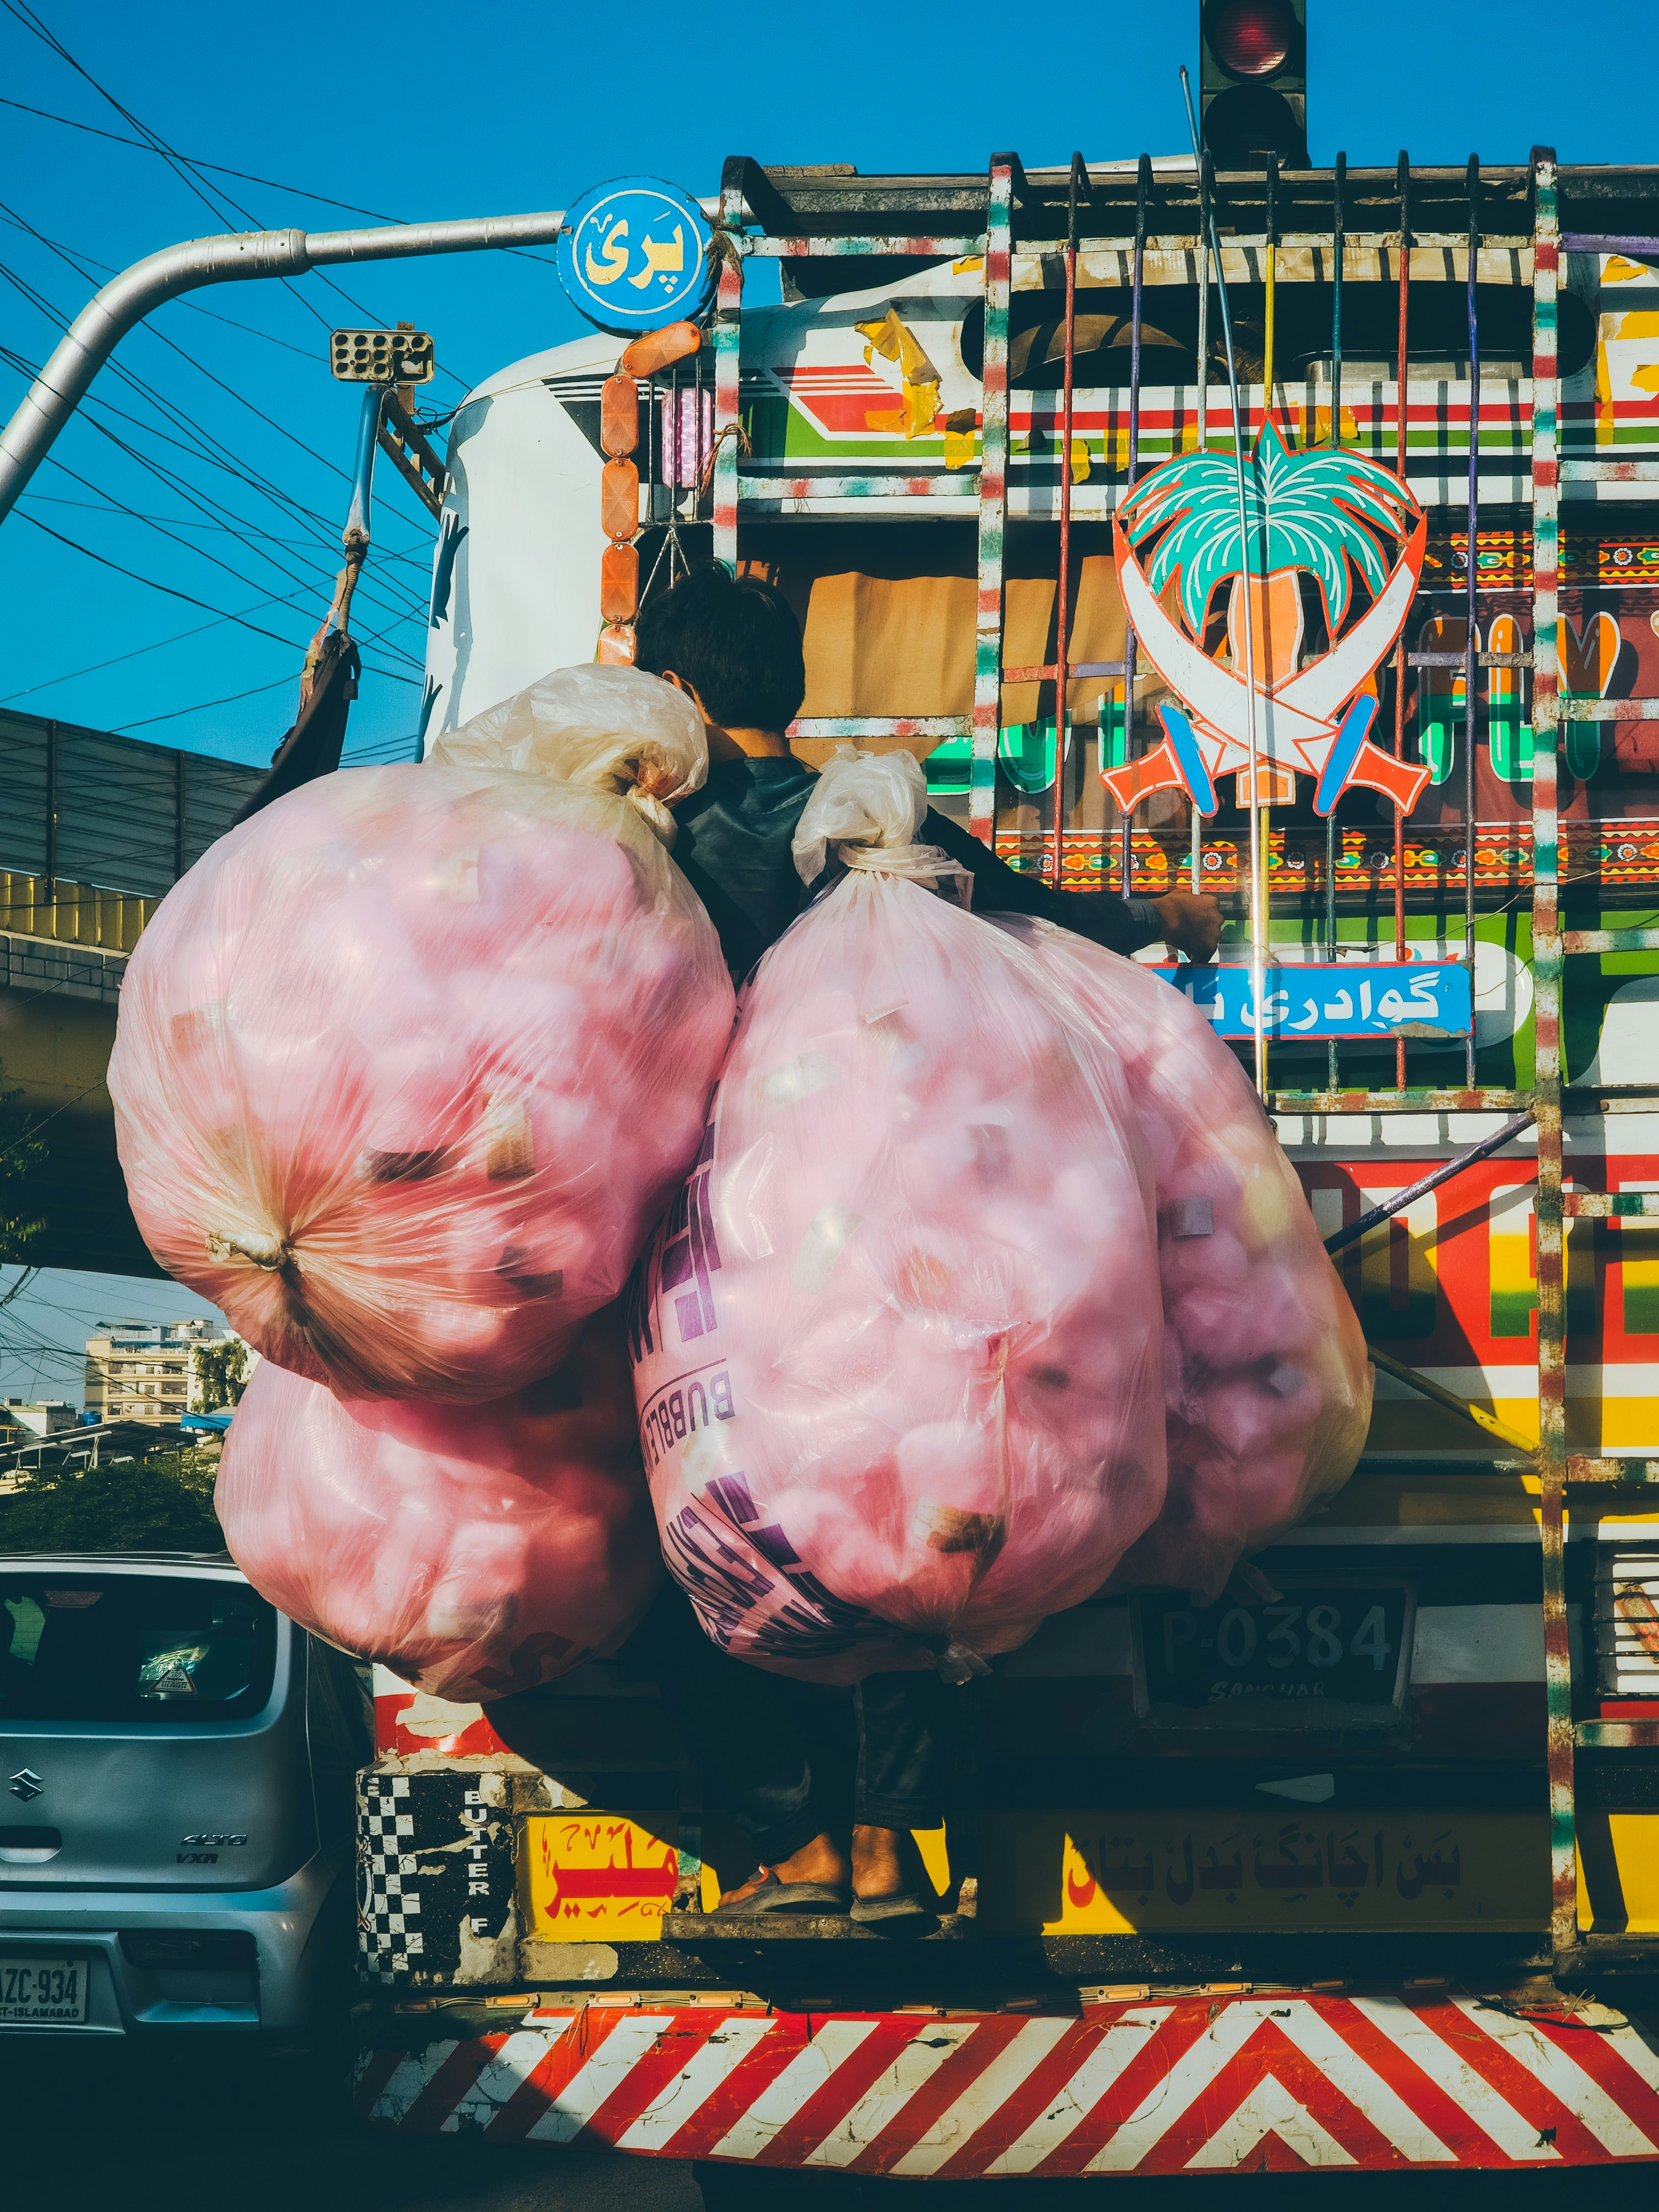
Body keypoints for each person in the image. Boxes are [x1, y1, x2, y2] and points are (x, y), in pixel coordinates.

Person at [618, 565, 1223, 1922]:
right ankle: (894, 1849)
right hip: (897, 1254)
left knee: (716, 1527)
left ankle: (792, 1847)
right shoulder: (875, 818)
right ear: (798, 686)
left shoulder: (659, 837)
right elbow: (1030, 913)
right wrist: (1154, 923)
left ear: (676, 691)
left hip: (723, 1256)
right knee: (901, 1526)